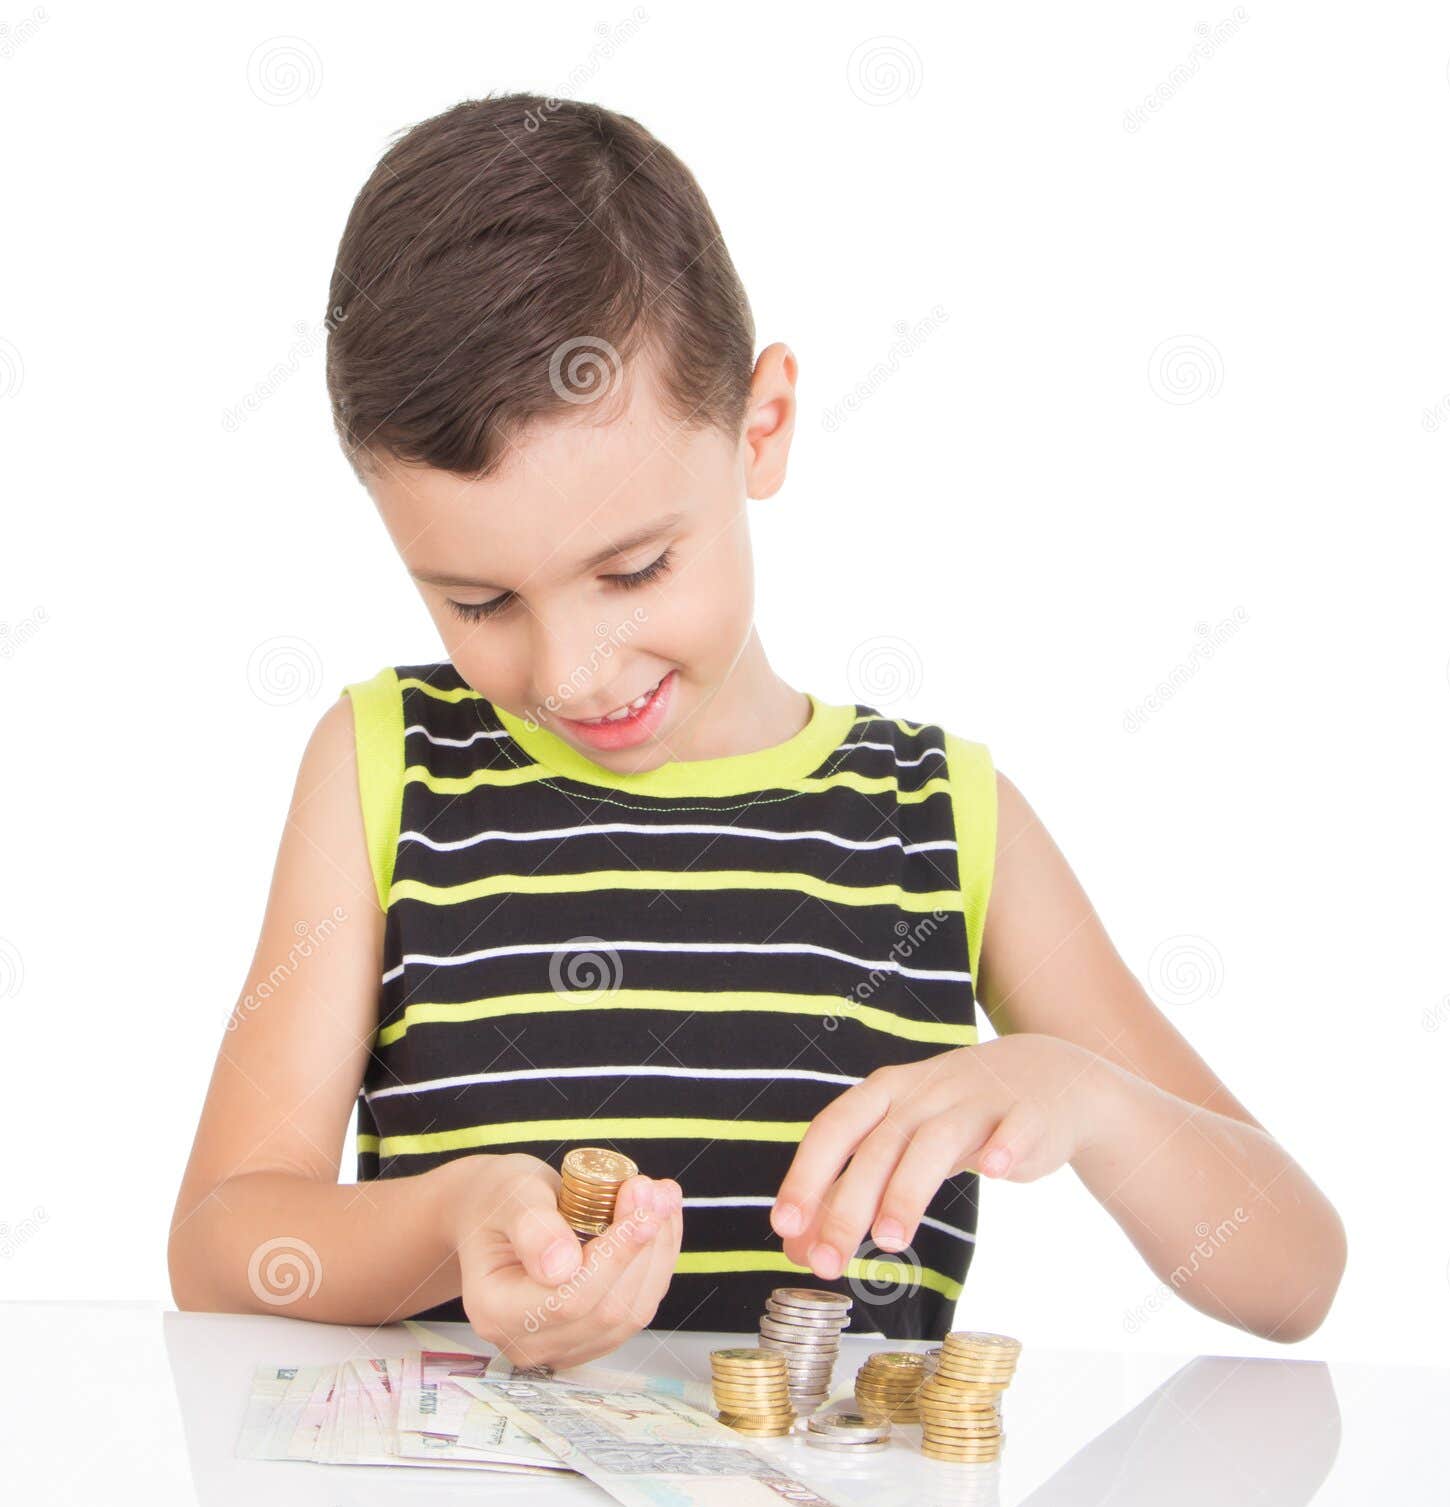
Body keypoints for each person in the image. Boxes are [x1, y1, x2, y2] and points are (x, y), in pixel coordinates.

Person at [168, 93, 1346, 1366]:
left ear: (761, 426)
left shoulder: (941, 819)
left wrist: (1090, 1096)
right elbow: (225, 1243)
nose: (571, 670)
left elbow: (1293, 1273)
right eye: (479, 600)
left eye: (632, 571)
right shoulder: (386, 770)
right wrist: (449, 1217)